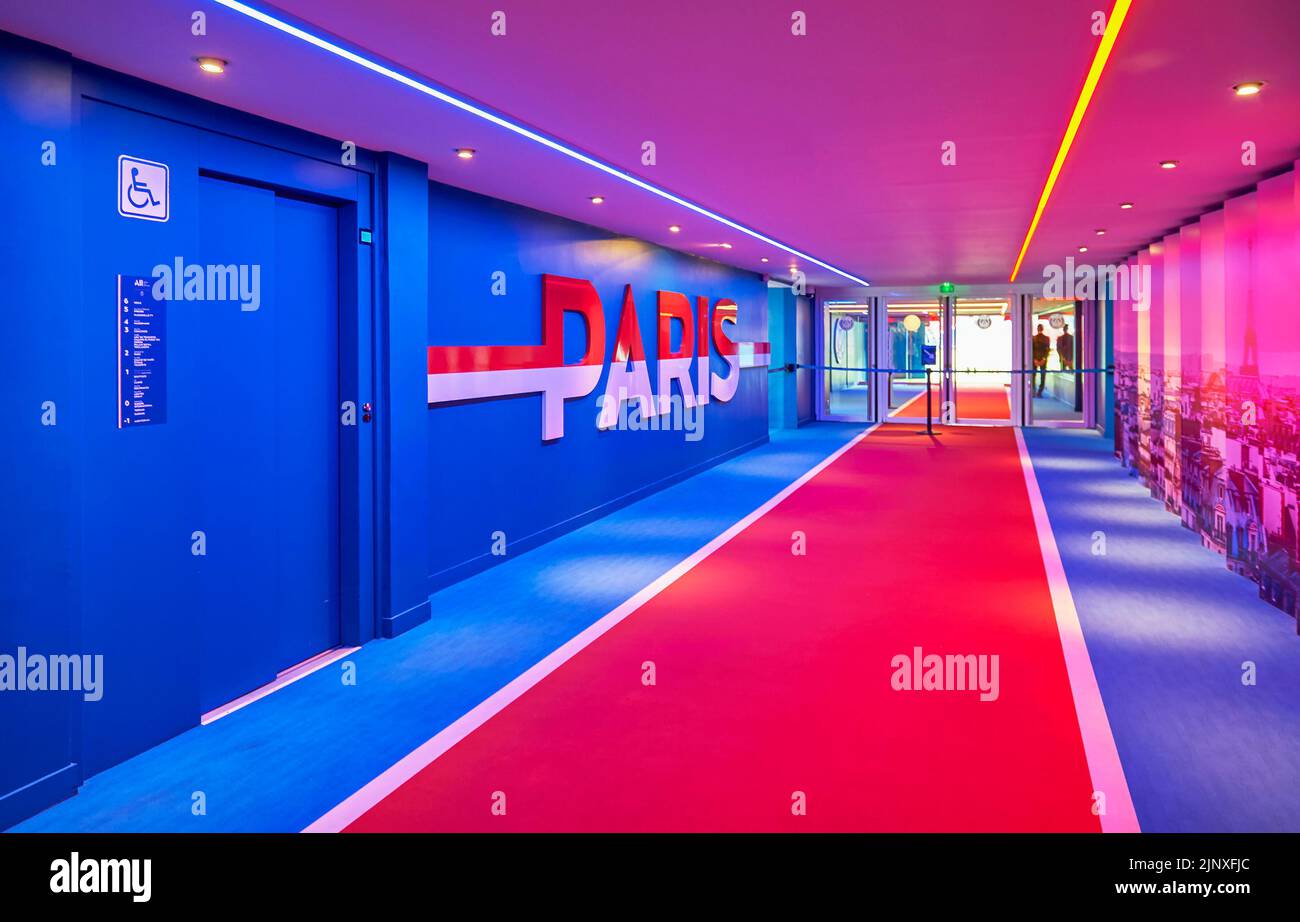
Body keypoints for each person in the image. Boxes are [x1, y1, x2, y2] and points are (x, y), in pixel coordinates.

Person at [1032, 323, 1050, 396]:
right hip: (1040, 360)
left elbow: (1032, 350)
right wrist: (1043, 359)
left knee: (1035, 375)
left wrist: (1036, 359)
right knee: (1039, 376)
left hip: (1038, 360)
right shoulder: (1045, 338)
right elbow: (1047, 350)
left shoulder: (1034, 338)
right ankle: (1038, 391)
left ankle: (1036, 391)